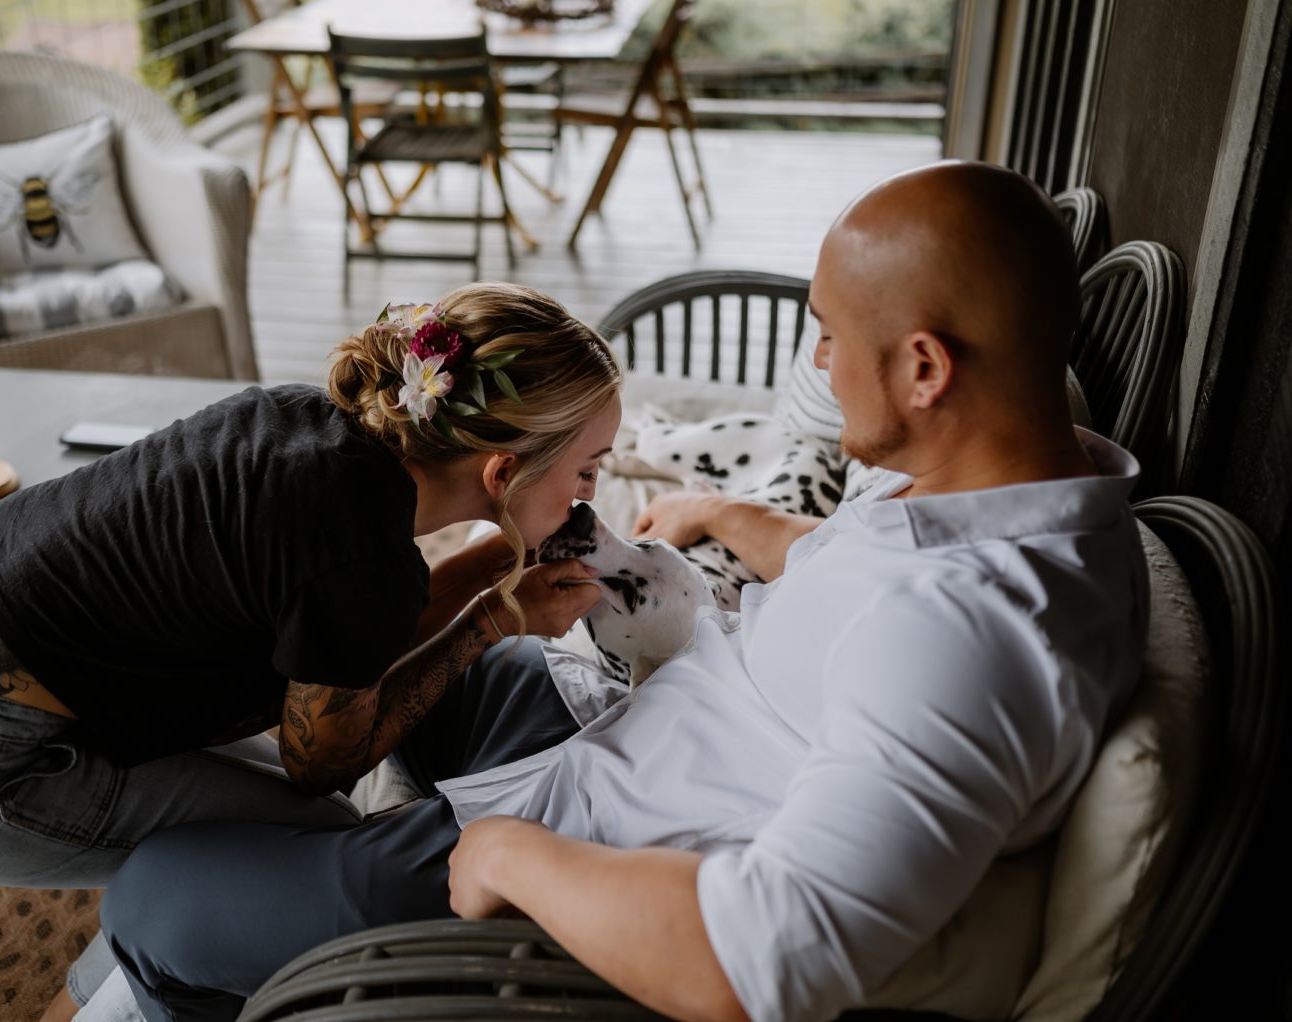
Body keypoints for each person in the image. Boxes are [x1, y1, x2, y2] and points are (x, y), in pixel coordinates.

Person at [96, 160, 1151, 1022]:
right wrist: (716, 514)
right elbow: (850, 564)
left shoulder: (971, 637)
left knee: (149, 891)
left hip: (584, 859)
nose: (819, 362)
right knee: (443, 641)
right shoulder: (1002, 482)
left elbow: (764, 959)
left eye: (830, 335)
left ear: (926, 367)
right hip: (633, 726)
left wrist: (508, 850)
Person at [0, 281, 620, 1018]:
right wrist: (490, 624)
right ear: (502, 469)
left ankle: (91, 995)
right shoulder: (362, 556)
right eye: (585, 471)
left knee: (262, 844)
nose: (588, 495)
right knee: (308, 841)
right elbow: (324, 759)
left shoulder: (306, 427)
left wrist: (485, 573)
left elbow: (341, 645)